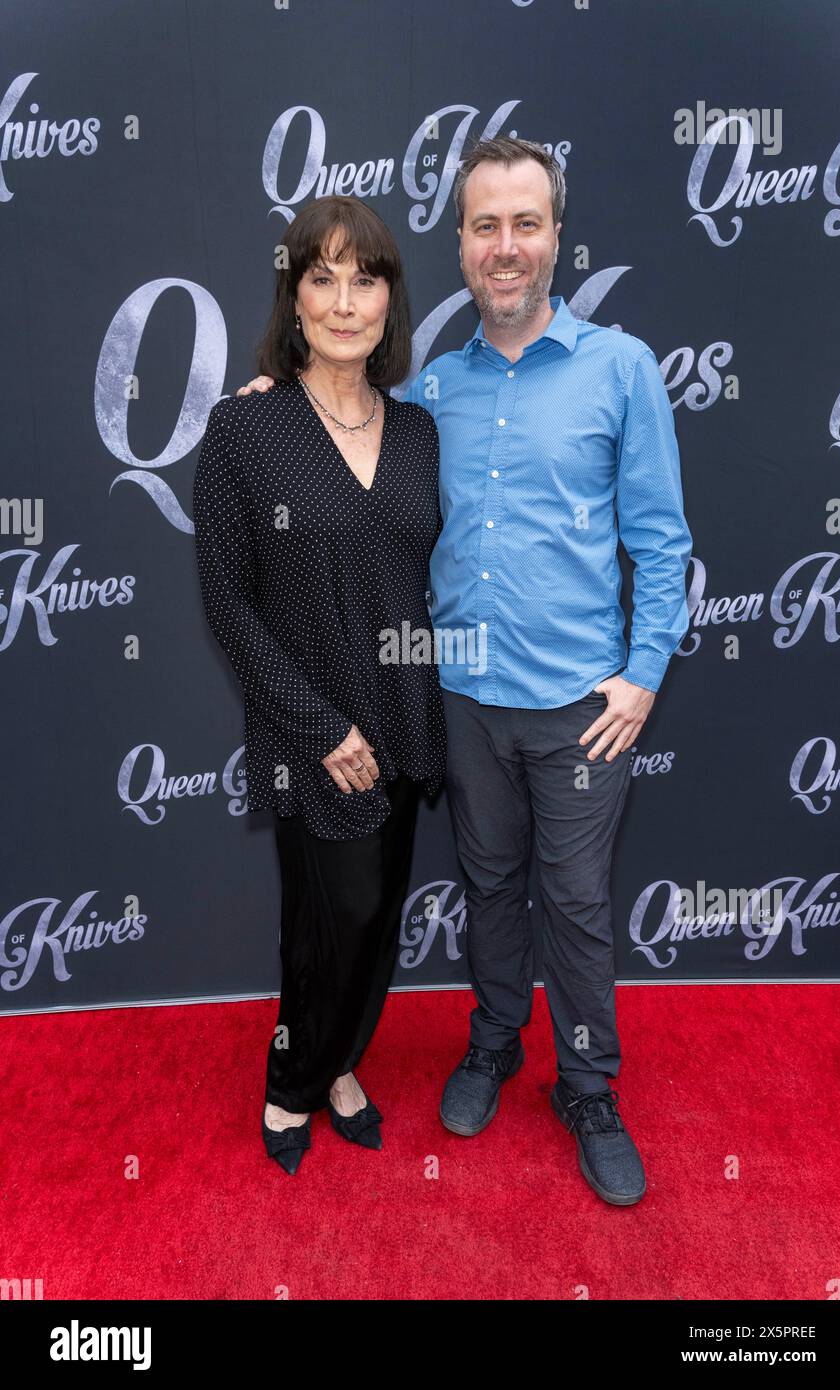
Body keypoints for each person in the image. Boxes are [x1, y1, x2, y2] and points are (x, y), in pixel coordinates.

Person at [238, 136, 692, 1205]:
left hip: (584, 707)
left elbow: (661, 542)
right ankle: (492, 1043)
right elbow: (337, 443)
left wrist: (642, 673)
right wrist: (271, 399)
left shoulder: (618, 368)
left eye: (523, 222)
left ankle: (585, 1084)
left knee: (574, 904)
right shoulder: (428, 391)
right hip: (462, 702)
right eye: (484, 224)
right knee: (487, 885)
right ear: (459, 243)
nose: (504, 245)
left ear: (554, 236)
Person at [192, 195, 446, 1176]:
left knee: (377, 911)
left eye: (365, 277)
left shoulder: (420, 432)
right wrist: (315, 724)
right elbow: (227, 604)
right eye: (323, 278)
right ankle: (291, 1081)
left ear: (388, 298)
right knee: (325, 919)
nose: (346, 301)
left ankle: (341, 1064)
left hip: (403, 715)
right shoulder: (244, 430)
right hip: (312, 731)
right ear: (293, 296)